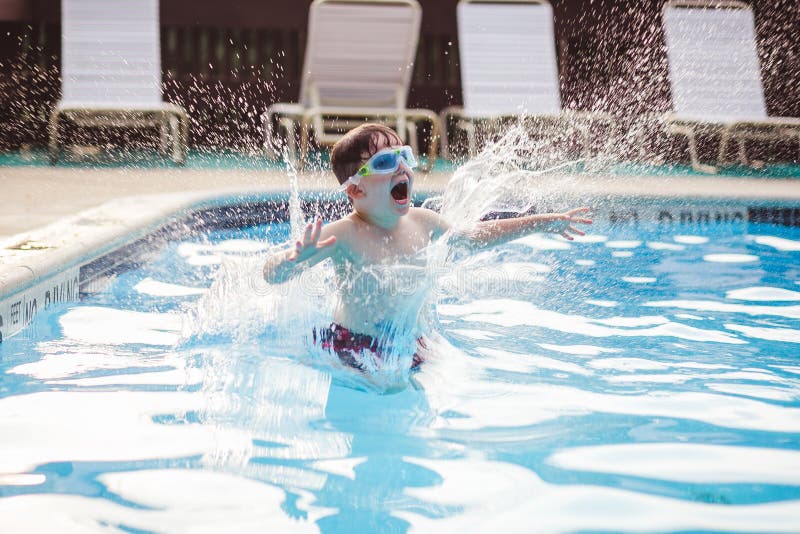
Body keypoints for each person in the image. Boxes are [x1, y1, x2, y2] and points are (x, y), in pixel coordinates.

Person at [263, 123, 591, 371]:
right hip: (355, 349)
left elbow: (476, 236)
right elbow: (271, 274)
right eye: (384, 163)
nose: (401, 168)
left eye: (403, 157)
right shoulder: (345, 234)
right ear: (356, 191)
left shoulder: (423, 222)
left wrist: (545, 221)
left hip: (411, 345)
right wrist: (291, 261)